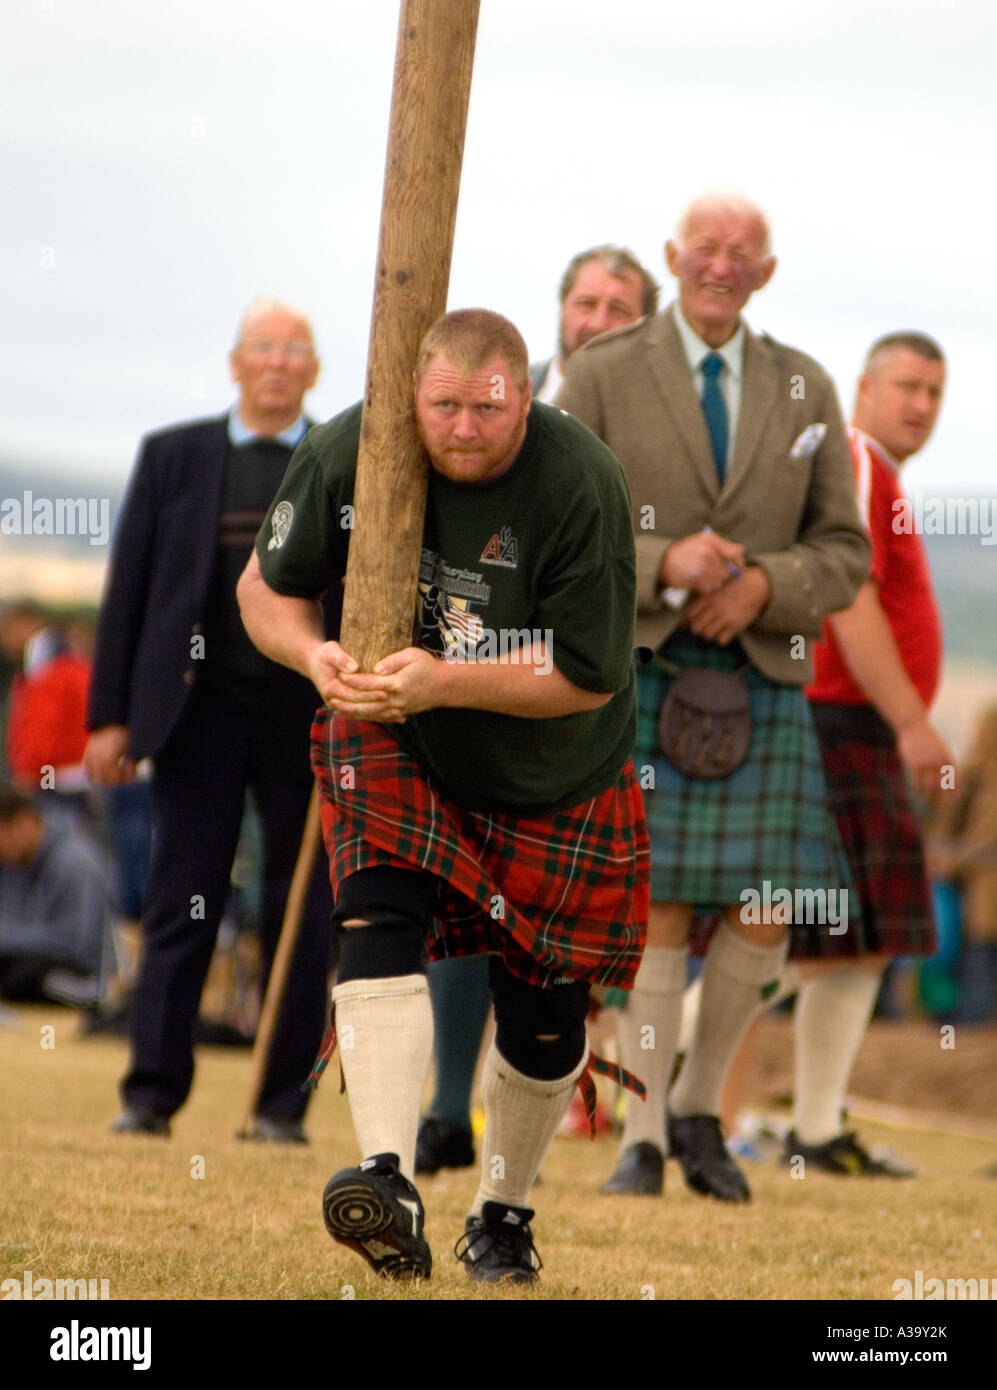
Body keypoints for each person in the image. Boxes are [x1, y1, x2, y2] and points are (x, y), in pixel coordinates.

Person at [237, 308, 649, 1283]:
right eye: (445, 406)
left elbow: (591, 674)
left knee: (545, 1009)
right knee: (373, 907)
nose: (464, 428)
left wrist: (446, 679)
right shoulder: (358, 444)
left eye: (487, 408)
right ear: (415, 395)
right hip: (396, 729)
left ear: (525, 396)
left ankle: (500, 1216)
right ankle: (388, 1175)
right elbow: (263, 587)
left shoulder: (580, 481)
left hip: (554, 767)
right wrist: (312, 654)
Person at [556, 192, 869, 1201]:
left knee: (768, 906)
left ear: (765, 271)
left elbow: (844, 553)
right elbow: (562, 529)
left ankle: (694, 1108)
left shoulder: (805, 387)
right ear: (673, 257)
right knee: (657, 906)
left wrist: (762, 586)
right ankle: (640, 1136)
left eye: (743, 253)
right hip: (645, 671)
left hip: (762, 672)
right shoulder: (601, 374)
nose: (721, 265)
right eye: (705, 249)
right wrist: (664, 563)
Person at [417, 244, 658, 1178]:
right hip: (460, 681)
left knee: (566, 936)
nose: (599, 318)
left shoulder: (637, 420)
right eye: (586, 301)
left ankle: (576, 1130)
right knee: (449, 905)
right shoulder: (487, 394)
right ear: (560, 314)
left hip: (624, 681)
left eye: (620, 306)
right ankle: (443, 1110)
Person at [85, 297, 335, 1142]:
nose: (275, 362)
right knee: (180, 900)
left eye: (292, 350)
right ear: (235, 363)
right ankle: (149, 1095)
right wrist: (109, 717)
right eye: (261, 348)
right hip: (196, 714)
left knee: (298, 912)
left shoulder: (343, 456)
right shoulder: (173, 455)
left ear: (313, 369)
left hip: (307, 712)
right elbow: (129, 591)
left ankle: (277, 1107)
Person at [783, 332, 952, 1171]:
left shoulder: (882, 477)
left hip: (855, 730)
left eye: (933, 391)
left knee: (843, 941)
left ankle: (813, 1129)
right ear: (862, 389)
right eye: (906, 386)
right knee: (785, 937)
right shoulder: (853, 457)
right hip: (836, 725)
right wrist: (912, 723)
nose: (920, 404)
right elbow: (846, 596)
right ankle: (686, 1112)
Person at [0, 784, 110, 1006]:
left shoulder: (74, 861)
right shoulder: (15, 864)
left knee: (28, 975)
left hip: (84, 974)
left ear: (22, 824)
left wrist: (7, 938)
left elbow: (74, 943)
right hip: (34, 961)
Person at [0, 600, 91, 820]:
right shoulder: (48, 662)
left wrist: (29, 771)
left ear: (25, 622)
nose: (4, 641)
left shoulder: (51, 666)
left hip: (56, 783)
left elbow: (44, 725)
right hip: (61, 779)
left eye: (6, 631)